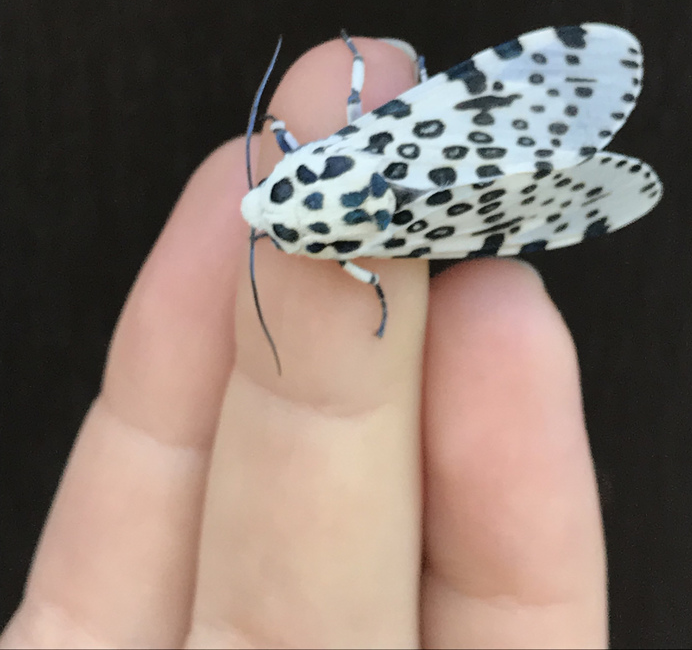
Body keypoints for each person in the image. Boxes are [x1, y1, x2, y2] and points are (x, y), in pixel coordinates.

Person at [1, 38, 608, 649]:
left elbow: (360, 265)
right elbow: (350, 109)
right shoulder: (313, 170)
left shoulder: (300, 238)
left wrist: (373, 288)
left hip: (430, 213)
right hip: (416, 148)